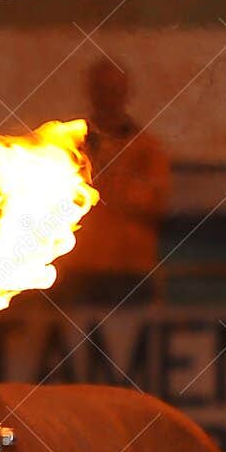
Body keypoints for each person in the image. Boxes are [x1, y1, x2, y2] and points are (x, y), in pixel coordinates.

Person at [69, 56, 172, 298]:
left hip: (130, 273)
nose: (108, 97)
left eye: (114, 90)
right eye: (102, 90)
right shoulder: (70, 146)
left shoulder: (148, 150)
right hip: (79, 272)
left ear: (126, 93)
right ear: (91, 93)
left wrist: (111, 180)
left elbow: (156, 205)